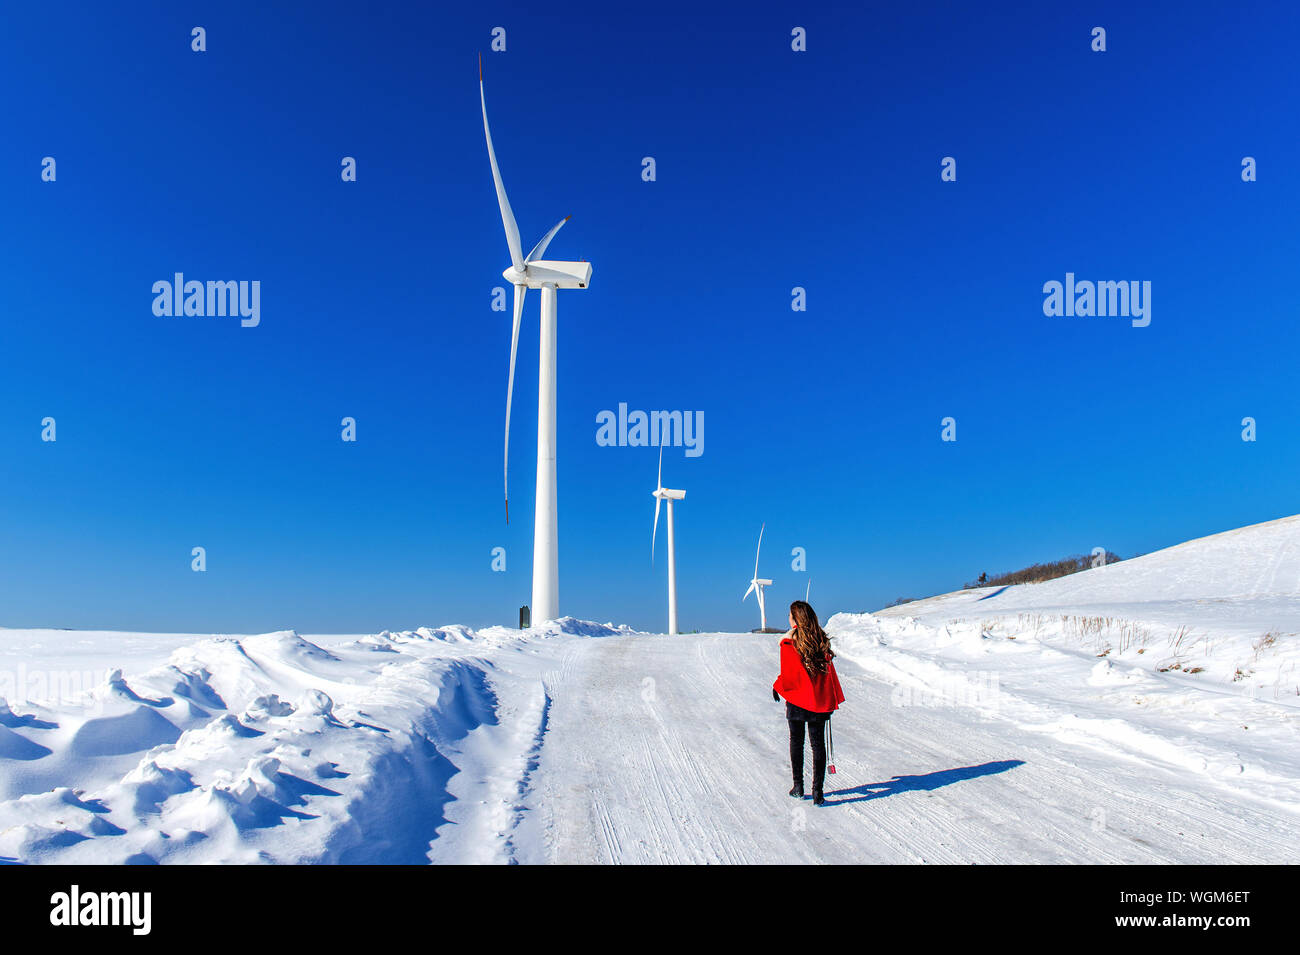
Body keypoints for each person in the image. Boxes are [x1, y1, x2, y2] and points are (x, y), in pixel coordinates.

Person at [772, 600, 844, 805]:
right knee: (818, 744)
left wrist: (777, 686)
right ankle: (818, 792)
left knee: (797, 742)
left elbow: (789, 675)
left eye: (789, 615)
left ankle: (798, 787)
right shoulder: (821, 641)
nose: (788, 618)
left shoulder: (789, 643)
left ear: (795, 618)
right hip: (819, 702)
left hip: (797, 701)